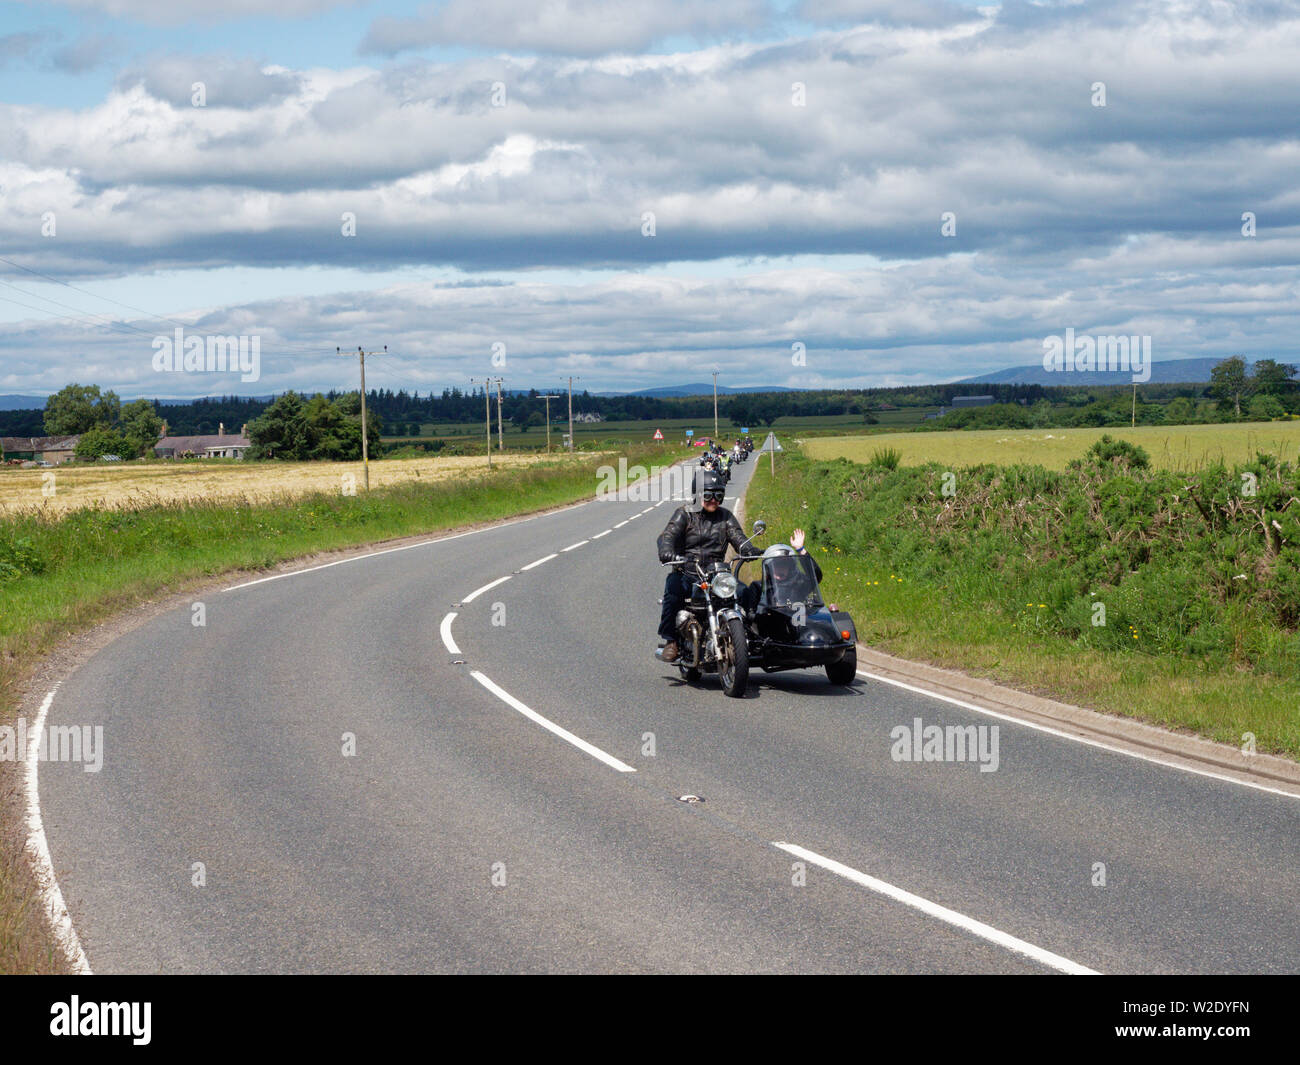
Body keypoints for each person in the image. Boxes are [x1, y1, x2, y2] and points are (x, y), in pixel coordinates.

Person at [655, 471, 748, 662]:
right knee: (672, 589)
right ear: (697, 495)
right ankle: (671, 640)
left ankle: (747, 637)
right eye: (708, 495)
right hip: (688, 573)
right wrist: (667, 551)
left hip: (717, 574)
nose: (713, 500)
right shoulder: (685, 514)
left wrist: (748, 548)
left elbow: (739, 537)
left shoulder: (726, 517)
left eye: (718, 495)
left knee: (745, 592)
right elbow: (667, 536)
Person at [738, 528, 823, 614]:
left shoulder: (798, 584)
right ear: (769, 567)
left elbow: (816, 576)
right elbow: (750, 616)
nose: (780, 569)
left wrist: (800, 549)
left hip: (795, 624)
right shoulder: (758, 587)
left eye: (784, 565)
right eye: (776, 565)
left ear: (790, 568)